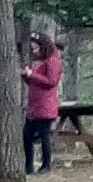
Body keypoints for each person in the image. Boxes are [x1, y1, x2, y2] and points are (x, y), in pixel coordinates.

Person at [22, 31, 63, 172]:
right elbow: (35, 82)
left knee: (44, 136)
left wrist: (32, 75)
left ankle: (46, 165)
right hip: (34, 106)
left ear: (43, 46)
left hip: (45, 106)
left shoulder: (53, 61)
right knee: (27, 136)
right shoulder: (39, 62)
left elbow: (51, 82)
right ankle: (28, 166)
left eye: (36, 48)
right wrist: (27, 76)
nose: (34, 51)